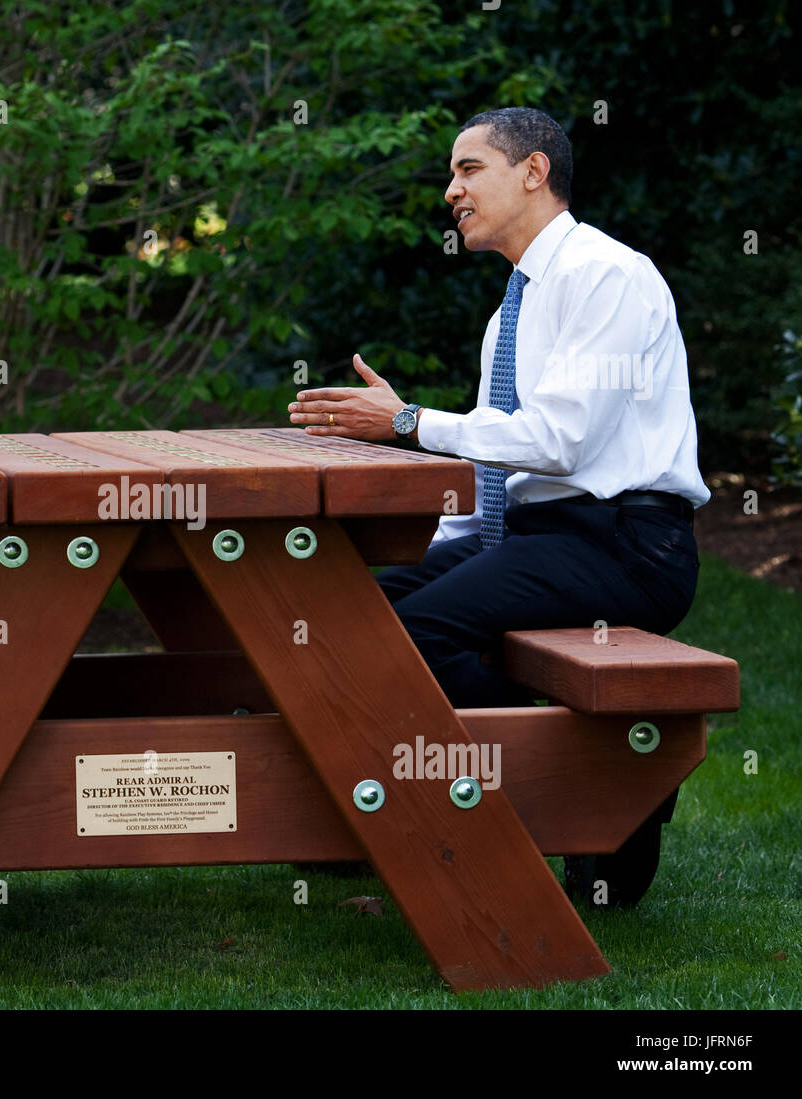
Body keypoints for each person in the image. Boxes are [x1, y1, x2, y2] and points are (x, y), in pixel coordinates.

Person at [288, 107, 708, 904]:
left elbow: (561, 443)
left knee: (416, 634)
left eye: (469, 169)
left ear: (535, 171)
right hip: (535, 537)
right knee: (358, 614)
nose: (451, 190)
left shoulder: (606, 276)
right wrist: (429, 545)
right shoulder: (509, 312)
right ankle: (592, 770)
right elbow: (497, 467)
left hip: (625, 543)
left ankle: (601, 783)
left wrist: (409, 422)